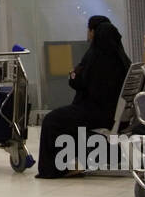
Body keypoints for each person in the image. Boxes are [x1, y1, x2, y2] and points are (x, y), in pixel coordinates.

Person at [37, 17, 130, 179]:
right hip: (116, 115)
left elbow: (79, 81)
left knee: (52, 120)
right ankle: (69, 162)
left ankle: (54, 169)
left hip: (98, 114)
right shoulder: (121, 58)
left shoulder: (97, 57)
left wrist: (73, 75)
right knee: (66, 118)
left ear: (93, 32)